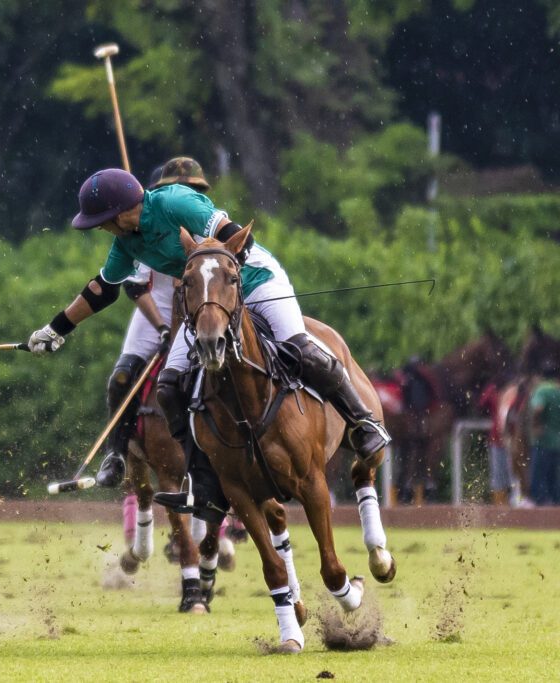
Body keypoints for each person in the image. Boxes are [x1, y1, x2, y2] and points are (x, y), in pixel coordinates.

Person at [27, 168, 390, 518]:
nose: (99, 228)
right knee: (169, 386)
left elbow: (234, 235)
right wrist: (56, 328)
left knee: (301, 349)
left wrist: (223, 289)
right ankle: (203, 481)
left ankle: (363, 424)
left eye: (101, 221)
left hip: (255, 280)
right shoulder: (126, 242)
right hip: (206, 302)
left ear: (120, 213)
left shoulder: (175, 202)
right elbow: (102, 289)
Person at [95, 157, 210, 488]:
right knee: (121, 377)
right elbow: (134, 287)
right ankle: (116, 453)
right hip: (155, 311)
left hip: (203, 310)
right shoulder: (147, 229)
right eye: (178, 188)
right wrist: (162, 327)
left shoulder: (207, 223)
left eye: (193, 189)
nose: (185, 194)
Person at [528, 363, 560, 505]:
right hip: (557, 443)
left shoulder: (541, 390)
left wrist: (536, 426)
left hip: (543, 442)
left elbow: (538, 408)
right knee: (555, 480)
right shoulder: (558, 391)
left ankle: (542, 508)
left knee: (539, 479)